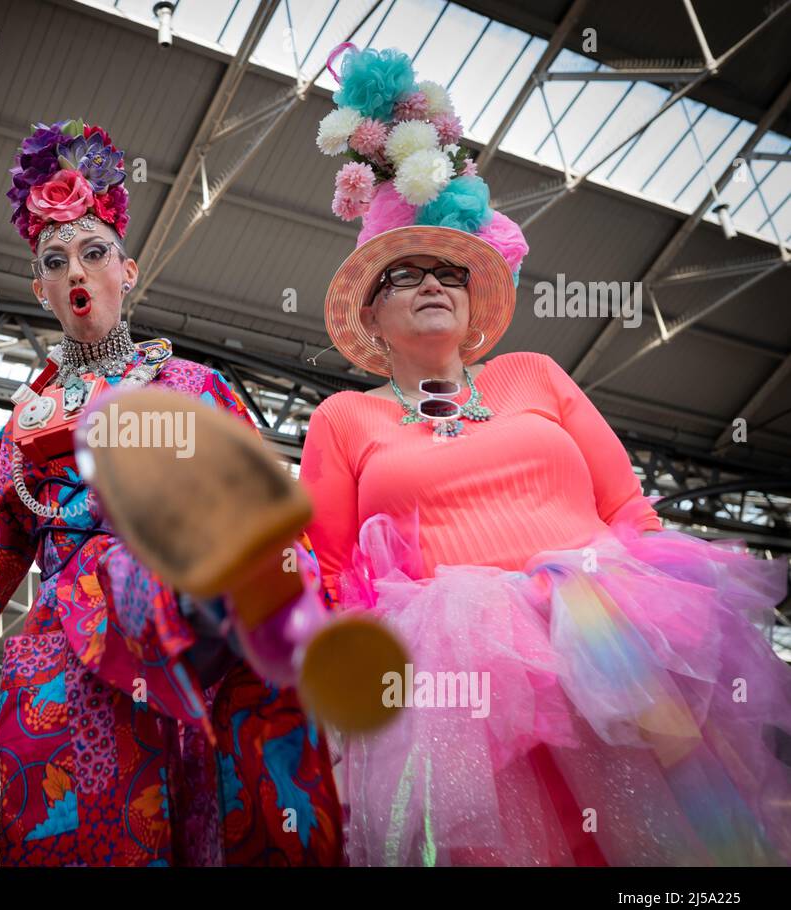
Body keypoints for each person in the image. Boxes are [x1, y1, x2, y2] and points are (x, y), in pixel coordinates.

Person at [302, 44, 791, 865]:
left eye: (448, 270)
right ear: (372, 318)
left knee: (693, 852)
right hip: (455, 673)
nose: (432, 283)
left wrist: (683, 624)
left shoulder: (535, 373)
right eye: (404, 274)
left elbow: (630, 511)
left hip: (608, 629)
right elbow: (327, 571)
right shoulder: (344, 418)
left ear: (472, 296)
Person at [0, 118, 342, 865]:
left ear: (127, 272)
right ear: (39, 289)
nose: (77, 272)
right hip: (63, 677)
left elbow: (269, 532)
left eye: (94, 253)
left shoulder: (195, 389)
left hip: (192, 649)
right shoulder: (21, 429)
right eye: (55, 259)